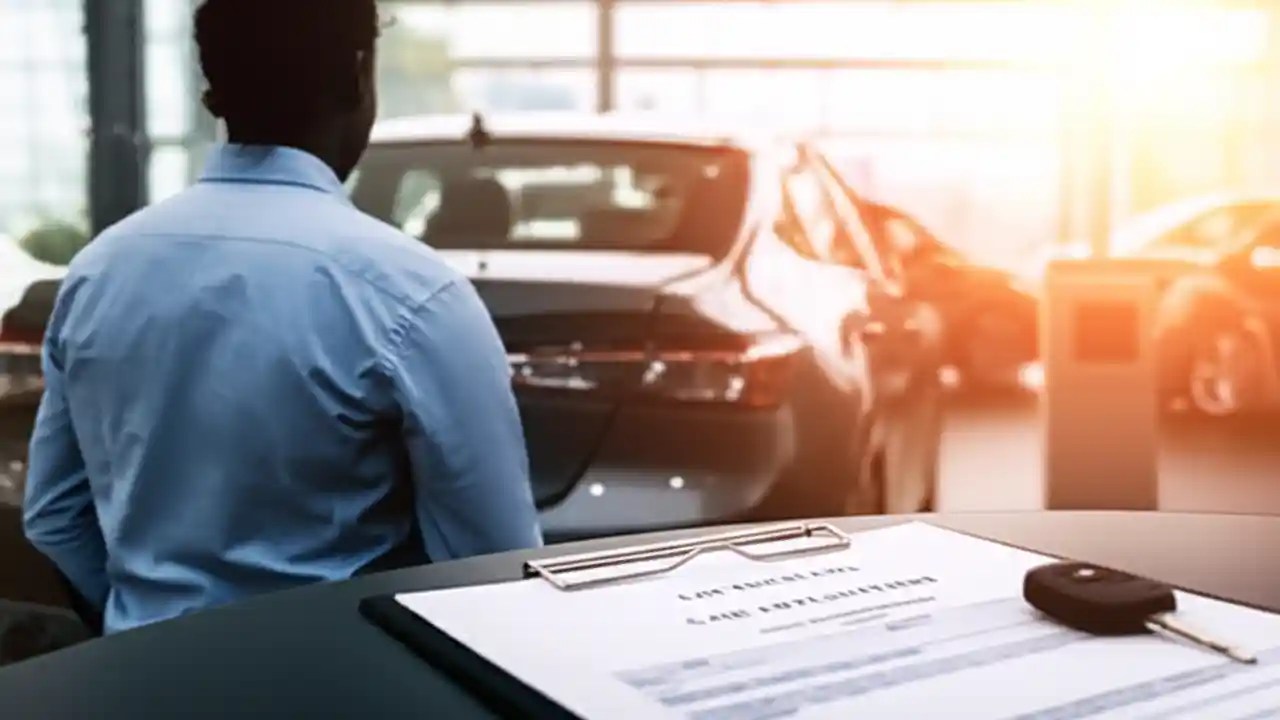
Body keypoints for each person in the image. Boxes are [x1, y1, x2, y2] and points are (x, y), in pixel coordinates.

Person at [22, 0, 542, 636]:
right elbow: (492, 562)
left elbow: (54, 516)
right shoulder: (410, 291)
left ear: (213, 93)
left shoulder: (99, 271)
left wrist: (151, 628)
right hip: (340, 682)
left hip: (140, 680)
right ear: (357, 76)